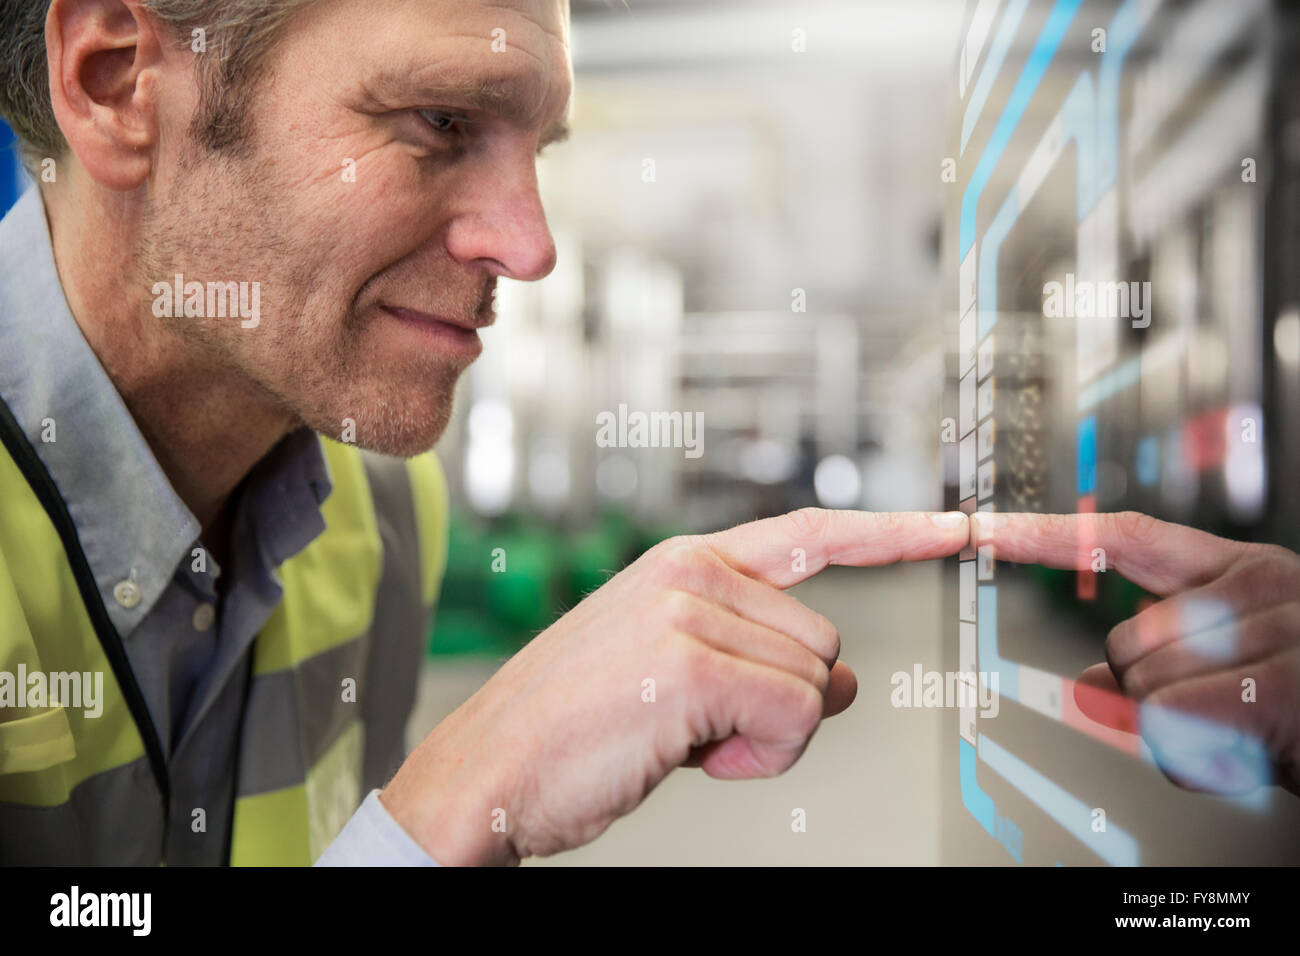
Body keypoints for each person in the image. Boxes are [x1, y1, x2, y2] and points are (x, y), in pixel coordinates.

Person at [0, 0, 974, 866]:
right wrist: (444, 808)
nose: (530, 245)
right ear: (117, 82)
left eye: (538, 148)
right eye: (443, 121)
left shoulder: (377, 506)